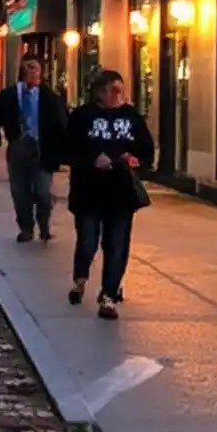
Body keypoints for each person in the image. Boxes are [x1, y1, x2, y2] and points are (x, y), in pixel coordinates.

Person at [65, 70, 154, 319]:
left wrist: (135, 159)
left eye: (121, 90)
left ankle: (109, 295)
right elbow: (69, 149)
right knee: (88, 242)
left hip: (121, 192)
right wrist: (92, 160)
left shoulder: (131, 117)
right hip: (88, 192)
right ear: (100, 92)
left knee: (117, 246)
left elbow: (146, 149)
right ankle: (80, 279)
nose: (118, 96)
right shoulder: (82, 116)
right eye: (113, 90)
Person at [0, 54, 67, 243]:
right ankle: (26, 228)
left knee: (43, 193)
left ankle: (44, 224)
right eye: (28, 67)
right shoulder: (9, 95)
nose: (32, 72)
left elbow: (62, 125)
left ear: (41, 72)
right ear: (21, 70)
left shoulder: (51, 98)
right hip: (19, 149)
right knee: (20, 193)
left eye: (35, 68)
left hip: (42, 150)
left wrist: (61, 154)